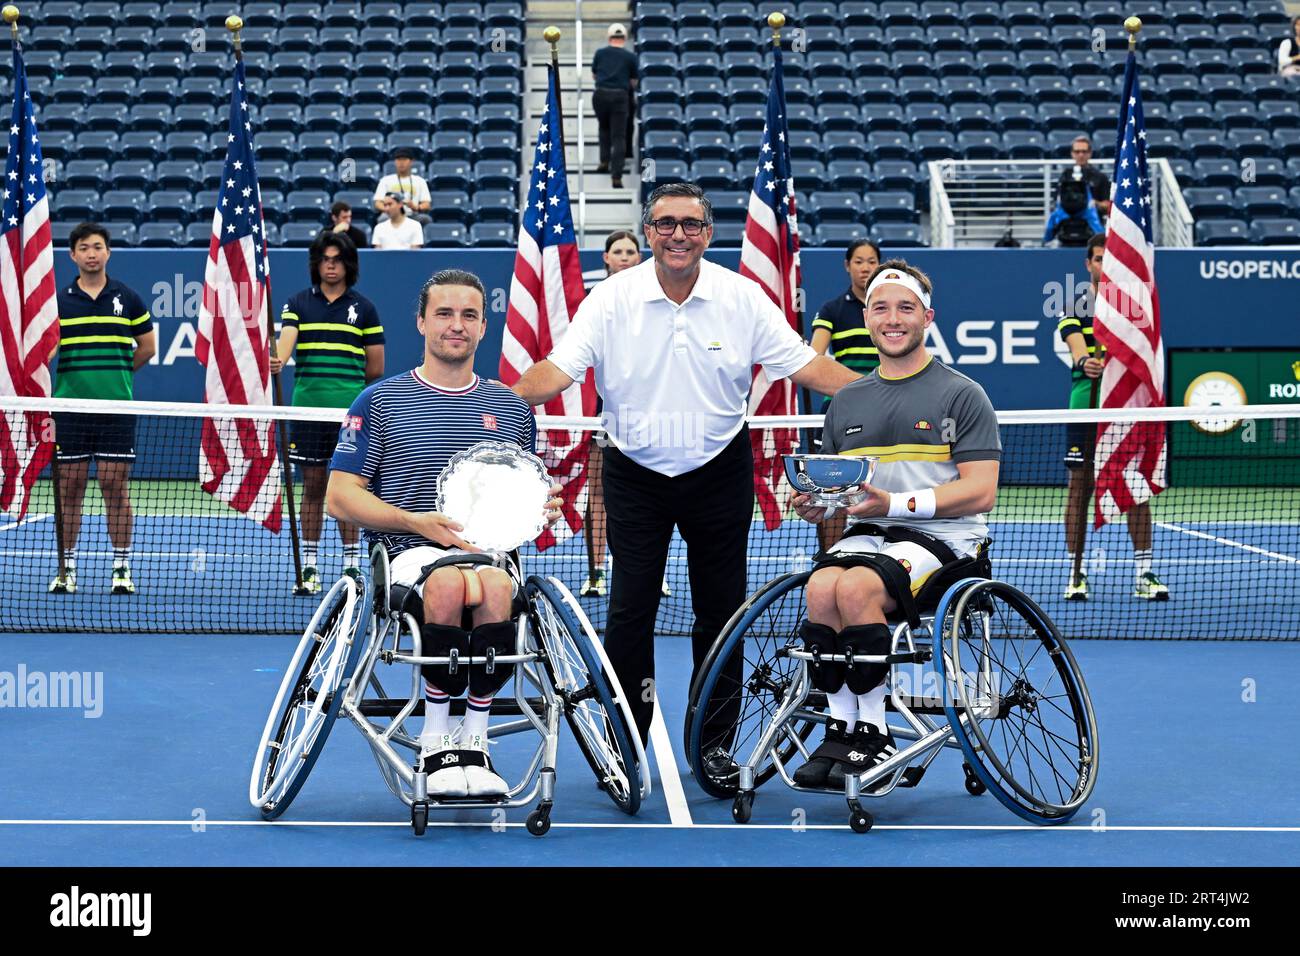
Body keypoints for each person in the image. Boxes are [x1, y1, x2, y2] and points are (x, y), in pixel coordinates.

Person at [511, 182, 860, 744]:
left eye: (690, 225)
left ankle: (716, 740)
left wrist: (893, 393)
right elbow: (556, 371)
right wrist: (493, 402)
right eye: (666, 224)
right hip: (634, 476)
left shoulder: (741, 297)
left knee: (722, 615)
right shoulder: (610, 298)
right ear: (649, 231)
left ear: (708, 233)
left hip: (720, 473)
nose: (678, 235)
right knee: (630, 613)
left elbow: (805, 366)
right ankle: (627, 736)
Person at [326, 269, 563, 798]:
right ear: (421, 323)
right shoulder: (379, 401)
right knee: (450, 585)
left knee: (497, 587)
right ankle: (436, 739)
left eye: (469, 316)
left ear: (483, 328)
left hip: (488, 559)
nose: (456, 326)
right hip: (410, 556)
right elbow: (340, 496)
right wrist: (415, 522)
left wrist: (533, 512)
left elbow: (513, 494)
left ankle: (473, 744)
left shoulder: (512, 408)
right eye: (444, 314)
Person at [790, 260, 1001, 789]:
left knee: (857, 587)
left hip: (946, 542)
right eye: (880, 307)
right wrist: (820, 505)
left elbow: (981, 490)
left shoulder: (963, 394)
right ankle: (842, 726)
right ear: (865, 317)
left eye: (905, 307)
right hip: (870, 537)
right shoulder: (846, 402)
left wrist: (897, 503)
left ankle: (876, 732)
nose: (892, 318)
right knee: (820, 589)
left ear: (926, 316)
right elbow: (841, 492)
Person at [270, 232, 385, 593]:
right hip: (307, 413)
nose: (330, 264)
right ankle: (310, 565)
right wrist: (279, 357)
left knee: (347, 490)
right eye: (324, 258)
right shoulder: (297, 303)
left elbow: (375, 367)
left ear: (348, 264)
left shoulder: (363, 308)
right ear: (316, 264)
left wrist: (346, 392)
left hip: (349, 417)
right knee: (314, 488)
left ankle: (351, 563)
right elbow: (286, 343)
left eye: (337, 258)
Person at [1058, 234, 1169, 602]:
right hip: (1087, 407)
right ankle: (1076, 573)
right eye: (1098, 259)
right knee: (1079, 489)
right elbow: (1076, 346)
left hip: (1127, 412)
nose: (1105, 266)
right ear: (1089, 265)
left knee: (1135, 487)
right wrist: (1084, 361)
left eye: (1110, 259)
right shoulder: (1074, 306)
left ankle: (1144, 572)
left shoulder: (1136, 310)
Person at [48, 222, 156, 595]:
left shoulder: (128, 298)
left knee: (114, 486)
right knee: (70, 487)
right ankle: (67, 568)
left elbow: (147, 347)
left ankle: (122, 567)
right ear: (73, 255)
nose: (92, 253)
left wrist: (117, 377)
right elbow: (44, 351)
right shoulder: (58, 301)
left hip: (115, 410)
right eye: (84, 247)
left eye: (98, 246)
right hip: (69, 410)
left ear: (108, 252)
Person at [581, 230, 675, 600]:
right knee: (600, 490)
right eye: (617, 251)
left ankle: (656, 571)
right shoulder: (596, 301)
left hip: (651, 413)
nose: (623, 257)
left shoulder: (658, 297)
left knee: (660, 492)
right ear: (606, 258)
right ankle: (596, 573)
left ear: (639, 257)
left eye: (630, 251)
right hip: (602, 412)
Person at [809, 239, 881, 559]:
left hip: (886, 409)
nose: (865, 267)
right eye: (859, 261)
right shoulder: (832, 309)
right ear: (847, 265)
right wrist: (853, 386)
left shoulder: (887, 309)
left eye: (871, 261)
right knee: (831, 493)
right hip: (841, 410)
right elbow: (814, 357)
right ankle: (829, 561)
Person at [592, 23, 638, 189]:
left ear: (609, 37)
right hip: (620, 96)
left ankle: (604, 160)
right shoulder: (630, 57)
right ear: (624, 39)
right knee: (619, 136)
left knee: (603, 127)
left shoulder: (600, 53)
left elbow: (594, 75)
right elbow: (634, 81)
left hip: (601, 94)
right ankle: (616, 176)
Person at [372, 146, 431, 224]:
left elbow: (427, 204)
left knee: (426, 219)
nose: (401, 163)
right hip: (391, 215)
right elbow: (377, 203)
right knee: (383, 219)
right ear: (395, 162)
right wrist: (389, 209)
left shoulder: (420, 181)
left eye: (404, 159)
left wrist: (416, 207)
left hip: (412, 214)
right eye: (398, 160)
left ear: (411, 161)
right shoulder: (385, 180)